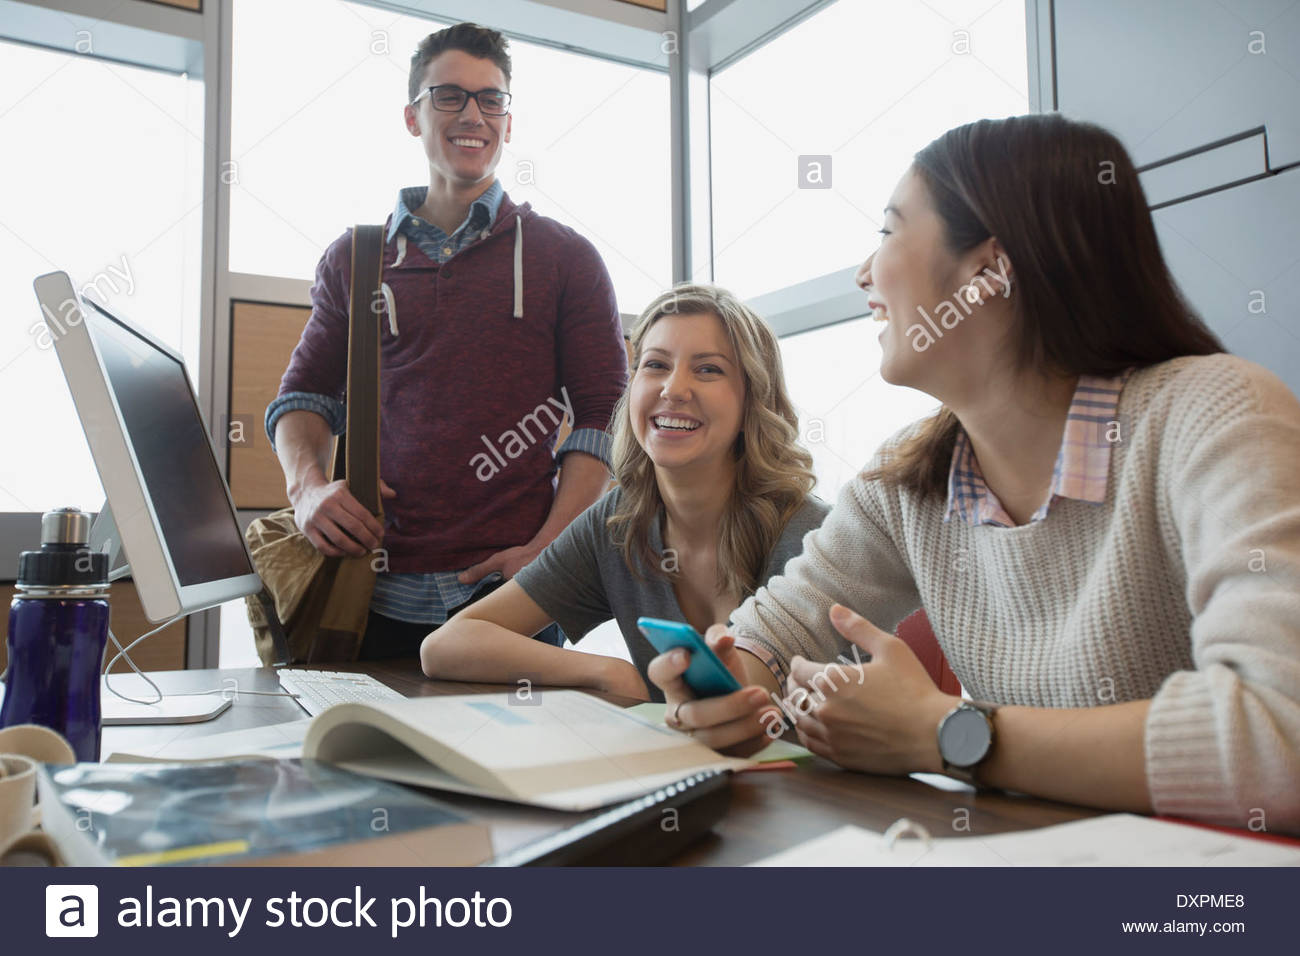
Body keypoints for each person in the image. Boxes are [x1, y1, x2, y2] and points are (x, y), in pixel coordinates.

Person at [646, 113, 1300, 833]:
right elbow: (773, 633)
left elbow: (1280, 733)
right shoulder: (906, 483)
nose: (866, 273)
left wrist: (947, 734)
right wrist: (727, 690)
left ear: (989, 272)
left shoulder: (1217, 413)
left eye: (889, 232)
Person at [267, 23, 627, 657]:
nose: (473, 115)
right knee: (368, 756)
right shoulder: (355, 259)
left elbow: (603, 414)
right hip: (365, 594)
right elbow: (303, 397)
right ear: (413, 116)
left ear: (508, 123)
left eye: (492, 100)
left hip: (509, 597)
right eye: (450, 96)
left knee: (509, 757)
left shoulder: (566, 259)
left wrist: (550, 549)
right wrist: (308, 490)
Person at [420, 285, 829, 701]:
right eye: (655, 365)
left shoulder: (814, 535)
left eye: (708, 370)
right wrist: (607, 672)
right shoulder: (617, 523)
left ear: (752, 402)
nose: (673, 389)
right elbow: (445, 646)